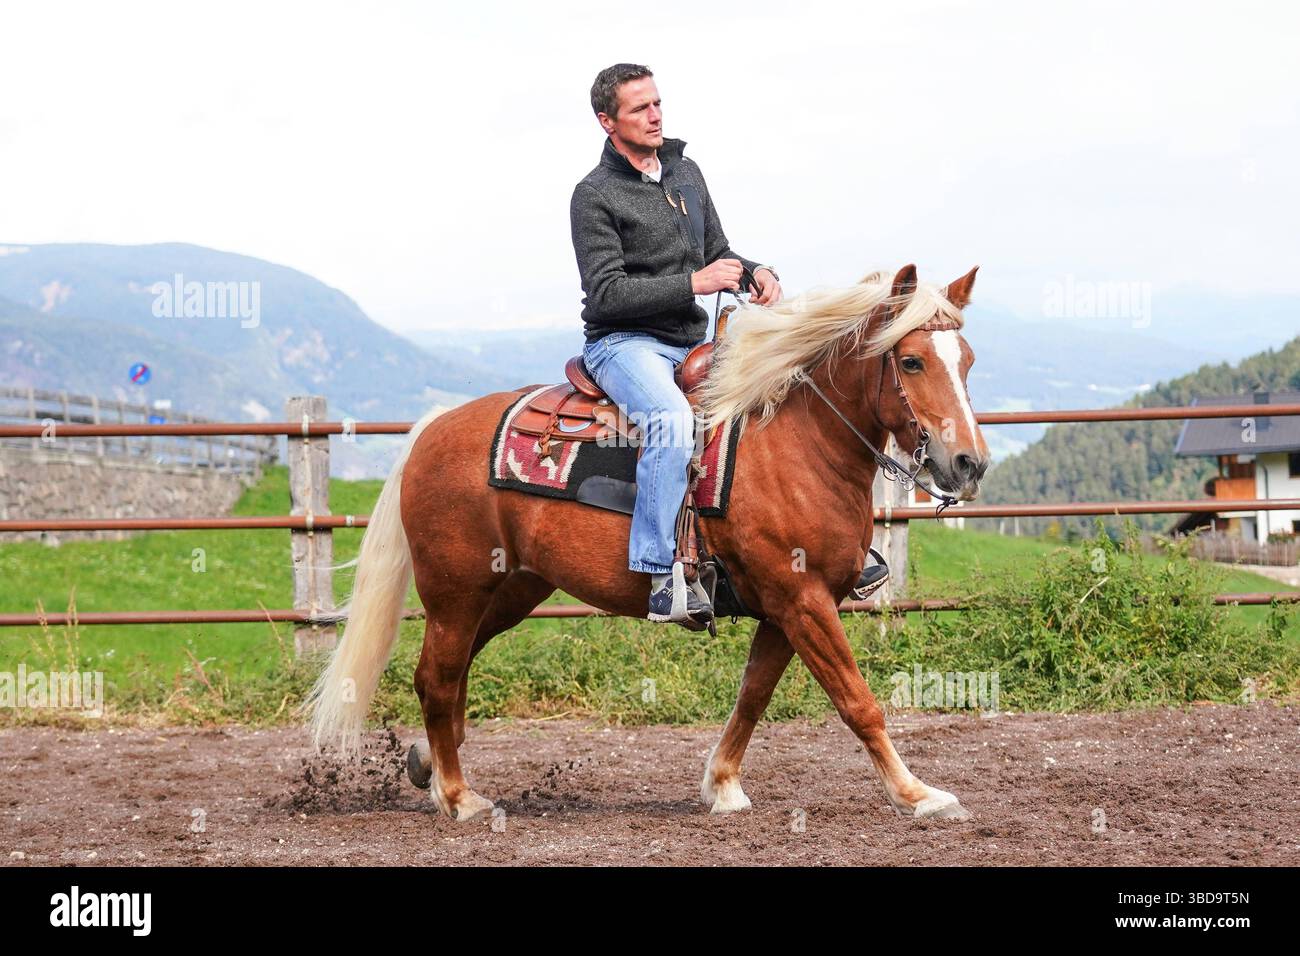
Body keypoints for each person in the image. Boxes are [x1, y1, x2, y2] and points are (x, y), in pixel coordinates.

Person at [569, 63, 781, 627]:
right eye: (640, 108)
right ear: (607, 121)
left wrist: (754, 274)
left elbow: (719, 250)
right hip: (623, 344)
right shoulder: (593, 196)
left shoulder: (685, 171)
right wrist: (696, 283)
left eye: (657, 103)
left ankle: (806, 549)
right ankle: (661, 577)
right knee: (668, 421)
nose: (656, 115)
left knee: (783, 396)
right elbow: (607, 293)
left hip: (691, 342)